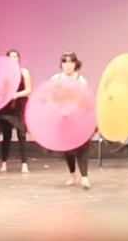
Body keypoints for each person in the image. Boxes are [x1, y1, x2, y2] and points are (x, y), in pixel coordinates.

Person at [0, 49, 32, 174]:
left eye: (15, 56)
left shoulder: (24, 72)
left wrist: (16, 95)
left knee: (21, 135)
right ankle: (4, 163)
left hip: (19, 106)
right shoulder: (3, 74)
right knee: (6, 136)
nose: (13, 59)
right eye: (11, 57)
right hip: (6, 107)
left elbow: (28, 90)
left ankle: (24, 164)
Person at [49, 51, 91, 189]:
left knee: (82, 147)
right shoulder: (56, 79)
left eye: (71, 62)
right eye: (65, 62)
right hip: (62, 117)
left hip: (78, 118)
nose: (68, 65)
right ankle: (72, 175)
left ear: (75, 64)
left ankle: (85, 177)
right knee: (68, 148)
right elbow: (51, 97)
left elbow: (84, 99)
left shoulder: (80, 80)